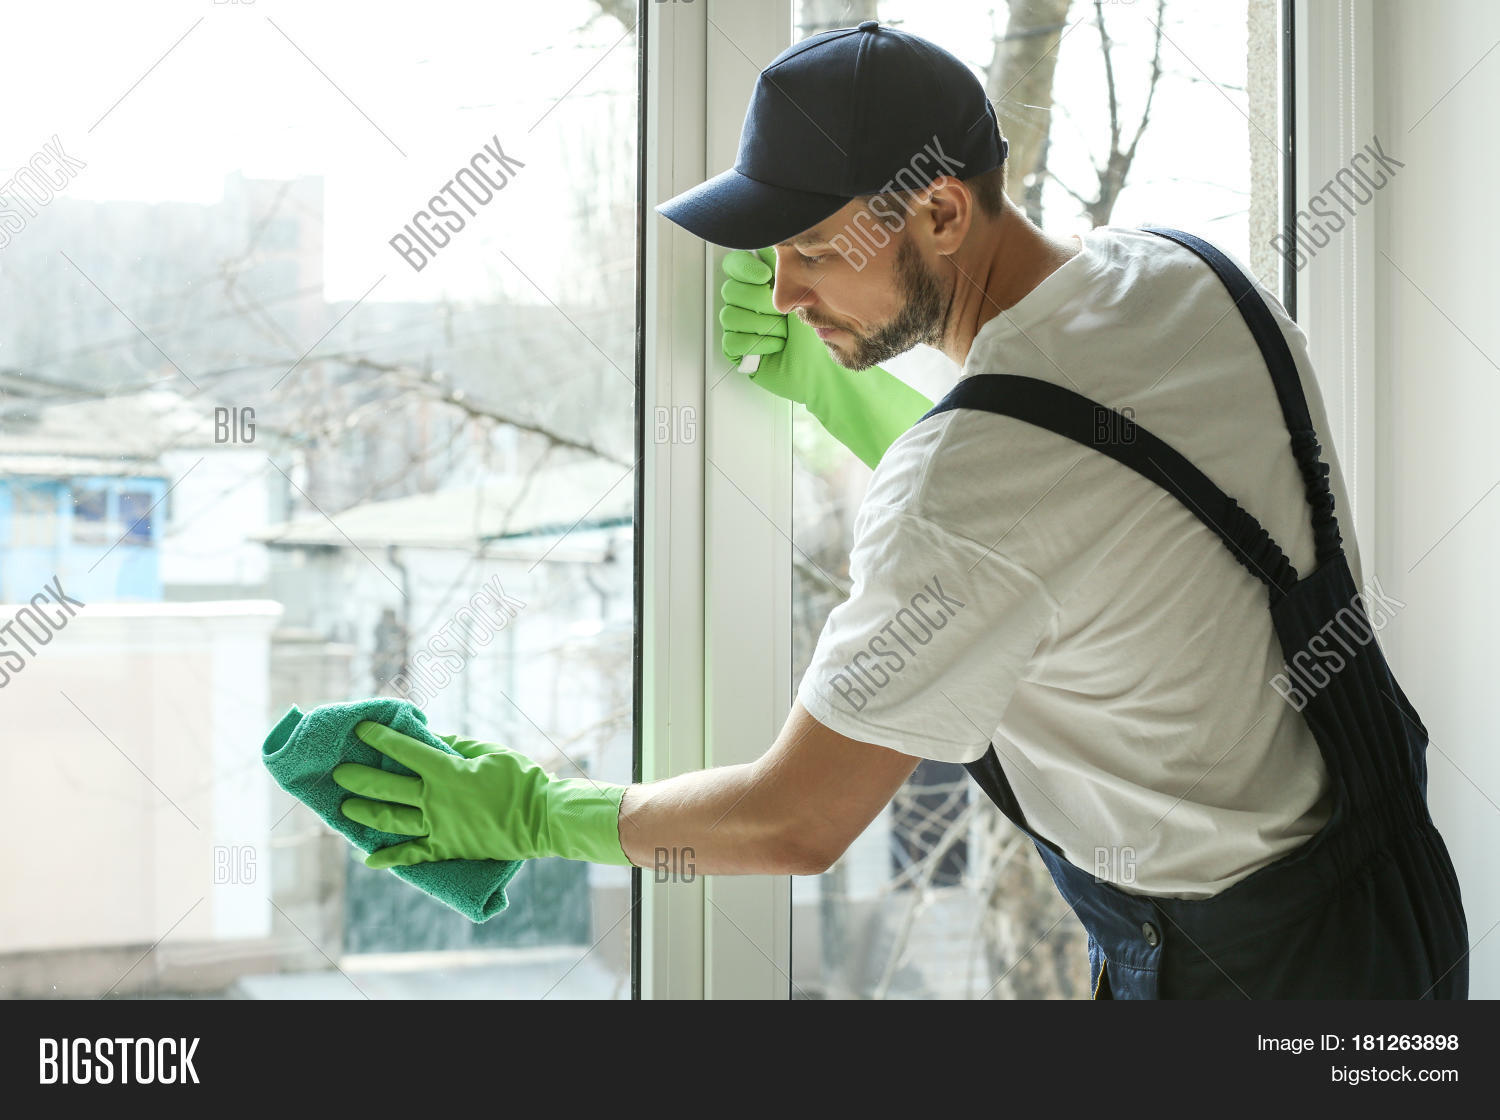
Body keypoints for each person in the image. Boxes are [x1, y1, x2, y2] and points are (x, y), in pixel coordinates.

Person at [328, 22, 1468, 998]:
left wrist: (532, 812)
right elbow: (1099, 507)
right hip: (1395, 897)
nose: (784, 291)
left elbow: (798, 819)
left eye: (817, 248)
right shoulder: (1186, 276)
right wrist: (867, 409)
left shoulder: (968, 482)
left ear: (938, 211)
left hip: (1242, 972)